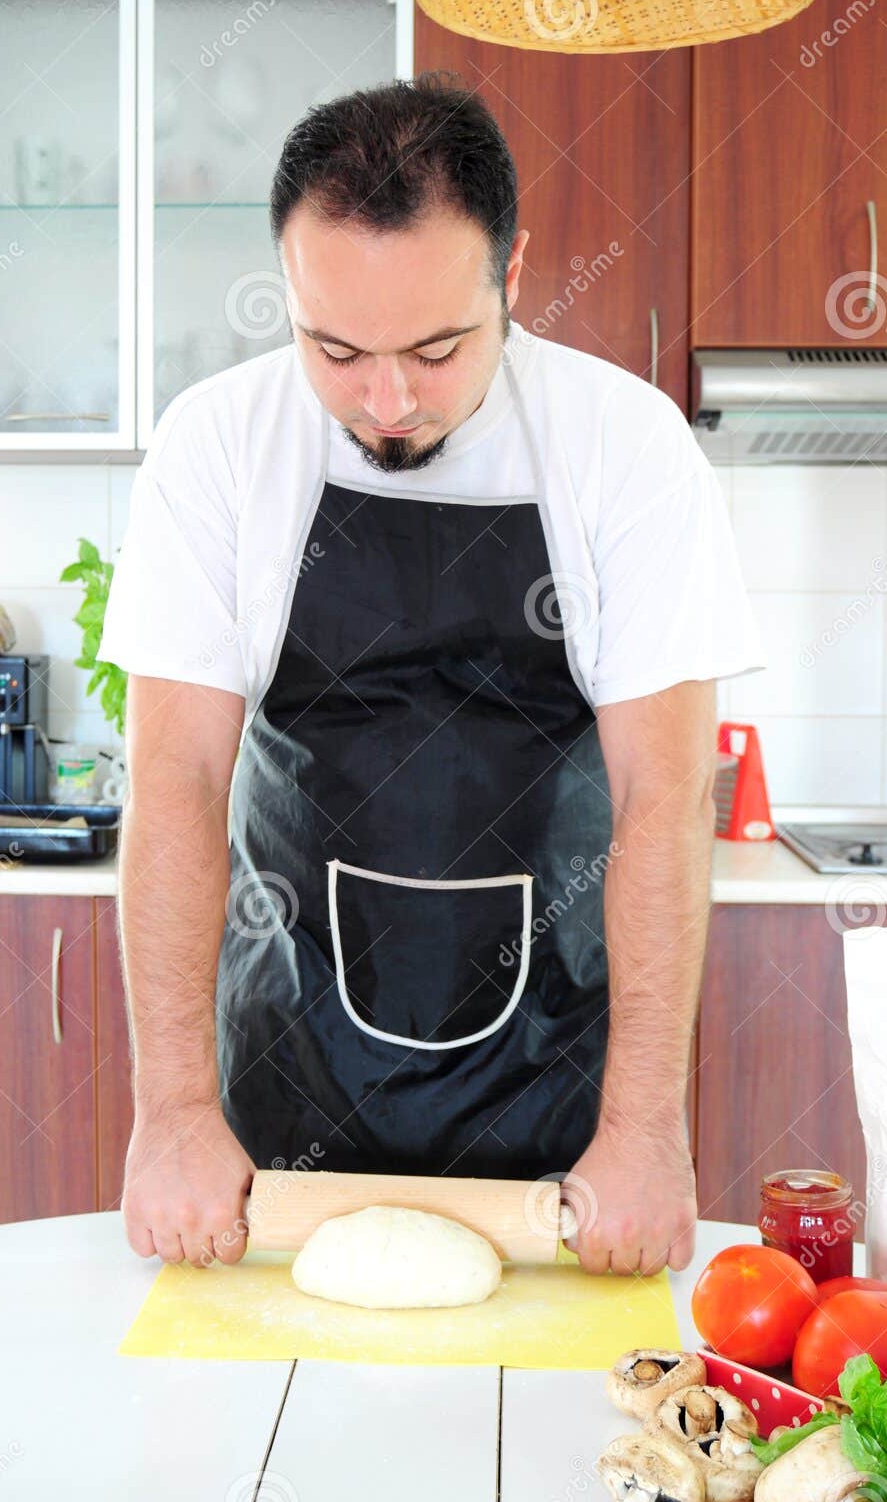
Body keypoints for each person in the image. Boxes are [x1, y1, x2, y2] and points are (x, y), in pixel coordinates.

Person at [97, 74, 765, 1281]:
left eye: (437, 349)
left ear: (511, 276)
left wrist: (644, 1127)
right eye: (335, 349)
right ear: (285, 290)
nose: (387, 402)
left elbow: (664, 800)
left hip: (561, 1090)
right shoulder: (217, 444)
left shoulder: (624, 448)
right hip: (283, 1082)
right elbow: (179, 779)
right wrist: (176, 1108)